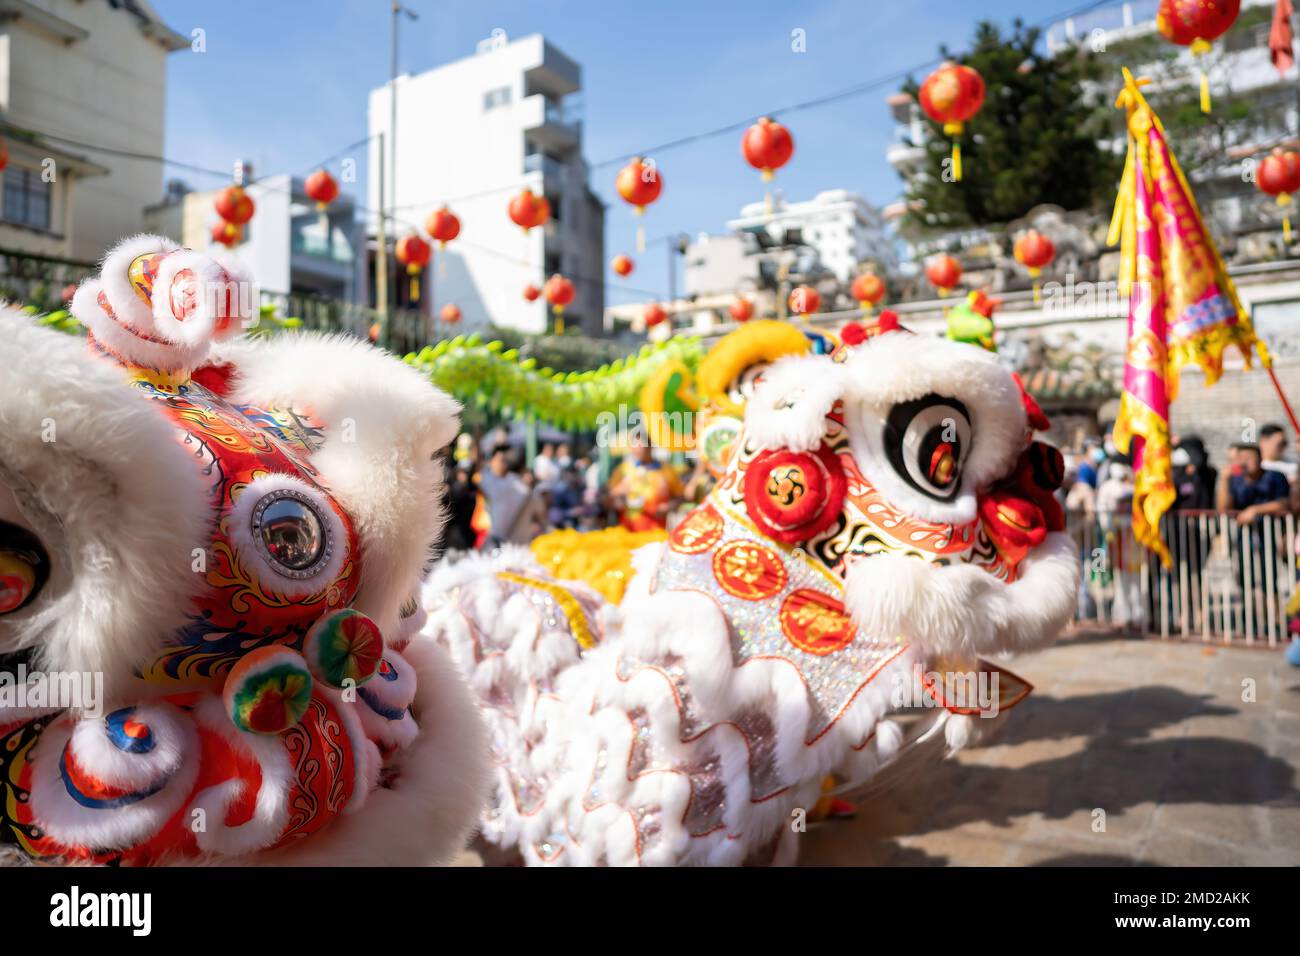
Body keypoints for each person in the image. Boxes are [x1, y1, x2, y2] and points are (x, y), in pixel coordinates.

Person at [609, 440, 683, 532]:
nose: (636, 450)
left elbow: (680, 496)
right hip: (629, 531)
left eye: (640, 445)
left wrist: (668, 506)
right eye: (633, 446)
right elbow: (609, 498)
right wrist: (619, 493)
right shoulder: (623, 469)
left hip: (657, 531)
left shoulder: (666, 470)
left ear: (650, 446)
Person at [477, 444, 532, 549]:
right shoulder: (519, 485)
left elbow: (484, 478)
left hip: (503, 543)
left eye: (502, 460)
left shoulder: (505, 485)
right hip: (512, 544)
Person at [1219, 442, 1290, 523]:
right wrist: (1224, 480)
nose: (1244, 462)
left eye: (1248, 458)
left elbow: (1284, 503)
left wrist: (1255, 510)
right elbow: (1224, 508)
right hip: (1243, 531)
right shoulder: (1235, 479)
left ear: (1260, 459)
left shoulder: (1275, 476)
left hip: (1271, 529)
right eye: (1241, 458)